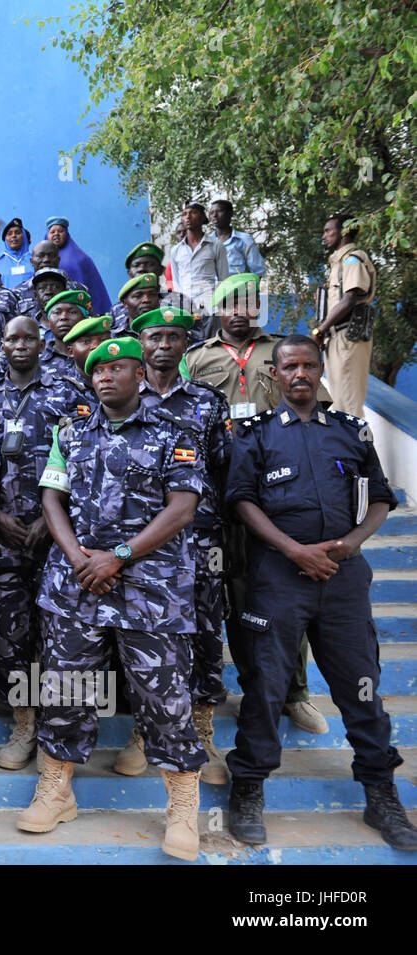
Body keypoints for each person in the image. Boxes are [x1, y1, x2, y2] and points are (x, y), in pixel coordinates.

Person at [224, 334, 415, 851]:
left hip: (343, 581)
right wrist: (293, 550)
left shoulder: (352, 431)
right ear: (276, 375)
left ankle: (380, 793)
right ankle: (248, 789)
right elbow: (241, 500)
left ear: (320, 371)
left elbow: (380, 498)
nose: (301, 374)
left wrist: (350, 545)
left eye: (309, 365)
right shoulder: (255, 436)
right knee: (265, 690)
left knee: (362, 688)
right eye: (290, 367)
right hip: (279, 580)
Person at [28, 336, 205, 861]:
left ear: (140, 374)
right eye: (98, 369)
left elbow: (182, 508)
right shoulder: (72, 432)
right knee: (65, 689)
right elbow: (51, 498)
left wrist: (119, 556)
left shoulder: (176, 431)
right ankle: (57, 791)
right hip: (77, 584)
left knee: (163, 697)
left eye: (118, 368)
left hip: (150, 589)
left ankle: (182, 808)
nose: (105, 376)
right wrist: (80, 556)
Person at [184, 272, 327, 735]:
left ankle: (294, 693)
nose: (241, 312)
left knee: (284, 593)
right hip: (213, 496)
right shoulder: (196, 358)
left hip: (276, 493)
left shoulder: (284, 352)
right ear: (218, 310)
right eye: (232, 304)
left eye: (250, 303)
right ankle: (239, 689)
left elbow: (318, 414)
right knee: (229, 597)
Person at [127, 306, 231, 784]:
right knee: (145, 638)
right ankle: (143, 733)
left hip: (199, 537)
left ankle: (202, 729)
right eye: (155, 337)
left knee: (205, 629)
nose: (164, 345)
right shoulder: (126, 396)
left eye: (174, 336)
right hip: (137, 540)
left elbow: (224, 469)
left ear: (187, 343)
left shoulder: (208, 403)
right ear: (140, 343)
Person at [0, 315, 85, 769]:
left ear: (43, 344)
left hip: (57, 537)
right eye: (11, 339)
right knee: (12, 635)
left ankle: (56, 731)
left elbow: (85, 460)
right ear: (0, 346)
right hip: (5, 536)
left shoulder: (67, 393)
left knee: (61, 636)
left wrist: (52, 513)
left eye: (28, 339)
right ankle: (24, 724)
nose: (20, 346)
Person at [315, 213, 377, 418]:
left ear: (344, 232)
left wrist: (320, 329)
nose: (324, 236)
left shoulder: (352, 260)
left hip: (348, 337)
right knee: (340, 402)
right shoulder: (338, 263)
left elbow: (349, 299)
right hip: (336, 338)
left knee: (350, 406)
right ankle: (348, 448)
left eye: (328, 230)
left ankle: (359, 449)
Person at [169, 202, 229, 317]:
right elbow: (176, 282)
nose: (188, 217)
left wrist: (219, 305)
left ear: (202, 217)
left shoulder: (216, 245)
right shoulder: (176, 250)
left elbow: (223, 279)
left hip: (209, 307)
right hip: (185, 308)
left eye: (193, 213)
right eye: (185, 214)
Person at [44, 217, 112, 314]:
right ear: (47, 235)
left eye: (60, 231)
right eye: (52, 232)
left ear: (67, 234)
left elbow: (95, 288)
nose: (56, 234)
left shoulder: (81, 259)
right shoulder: (41, 258)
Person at [11, 241, 90, 320]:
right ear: (32, 261)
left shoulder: (78, 289)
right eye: (41, 256)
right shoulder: (18, 292)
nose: (46, 260)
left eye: (51, 255)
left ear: (58, 260)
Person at [40, 289, 92, 380]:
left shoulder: (94, 354)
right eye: (57, 313)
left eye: (72, 312)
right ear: (49, 320)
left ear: (84, 318)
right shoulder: (38, 362)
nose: (63, 317)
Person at [209, 200, 265, 277]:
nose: (215, 215)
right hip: (211, 288)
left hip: (237, 287)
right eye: (211, 212)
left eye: (219, 211)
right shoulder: (206, 242)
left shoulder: (244, 239)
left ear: (230, 214)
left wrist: (250, 288)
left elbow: (258, 272)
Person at [0, 218, 33, 289]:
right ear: (5, 239)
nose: (13, 236)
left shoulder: (35, 260)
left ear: (24, 236)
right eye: (9, 234)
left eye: (18, 233)